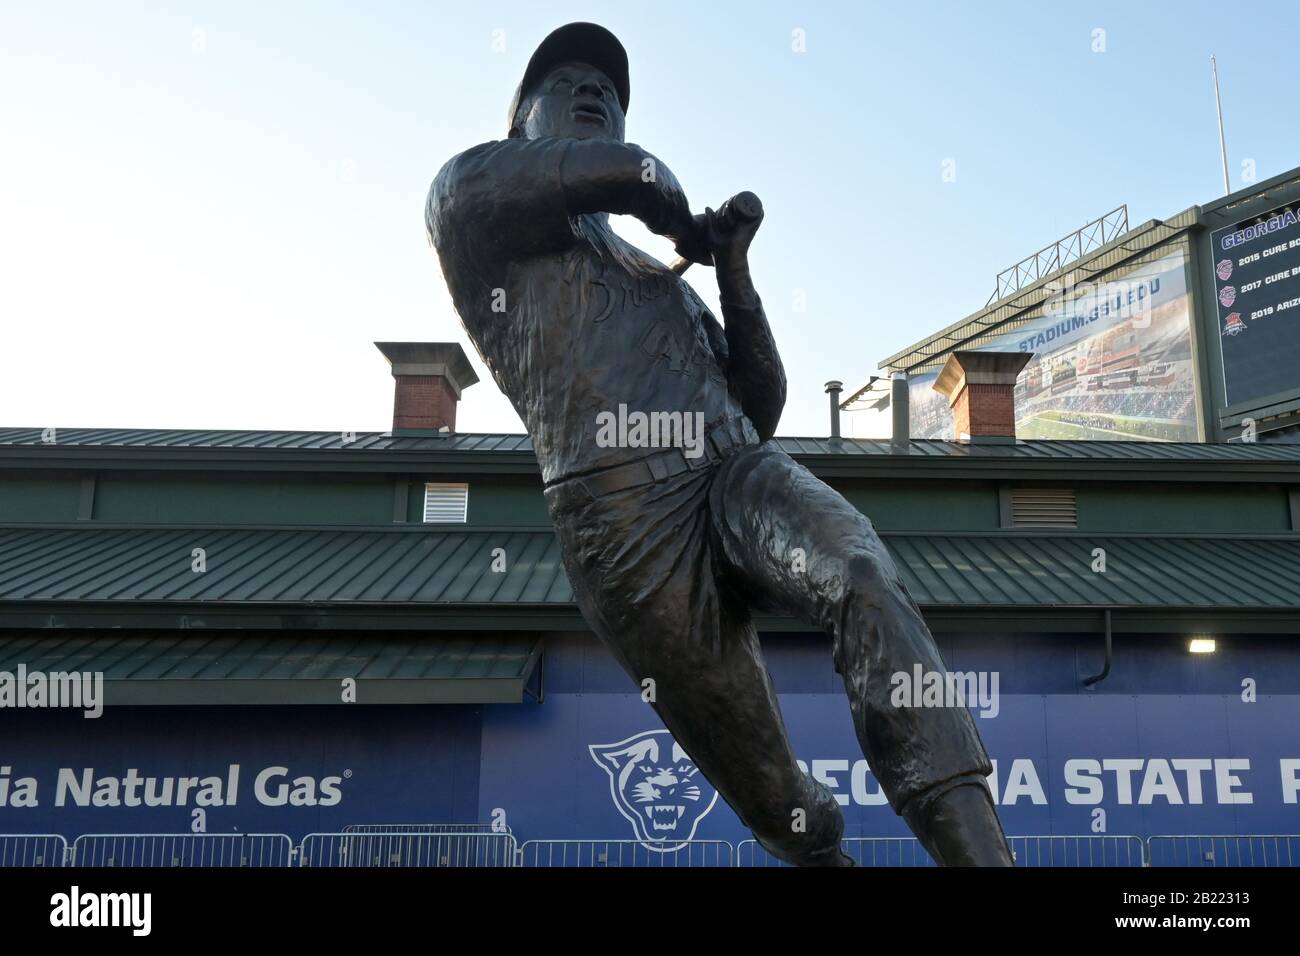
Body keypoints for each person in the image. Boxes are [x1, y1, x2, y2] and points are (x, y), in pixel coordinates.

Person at [427, 21, 1013, 866]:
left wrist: (729, 268)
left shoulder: (645, 270)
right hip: (624, 518)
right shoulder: (470, 201)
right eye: (568, 82)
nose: (595, 92)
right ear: (520, 120)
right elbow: (636, 175)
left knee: (858, 570)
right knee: (788, 811)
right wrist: (668, 205)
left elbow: (759, 401)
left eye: (611, 90)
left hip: (734, 468)